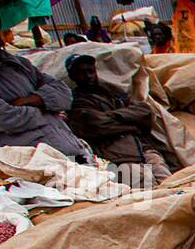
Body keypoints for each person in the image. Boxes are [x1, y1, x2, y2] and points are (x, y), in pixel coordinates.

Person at [0, 9, 90, 160]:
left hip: (66, 145)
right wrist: (47, 109)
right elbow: (4, 119)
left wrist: (30, 101)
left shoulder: (20, 64)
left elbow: (64, 94)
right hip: (31, 158)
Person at [65, 54, 171, 186]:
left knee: (172, 185)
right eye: (81, 73)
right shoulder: (77, 103)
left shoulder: (112, 94)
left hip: (144, 151)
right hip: (120, 159)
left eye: (90, 71)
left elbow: (145, 111)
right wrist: (132, 125)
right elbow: (96, 125)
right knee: (150, 196)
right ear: (73, 77)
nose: (88, 76)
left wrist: (115, 117)